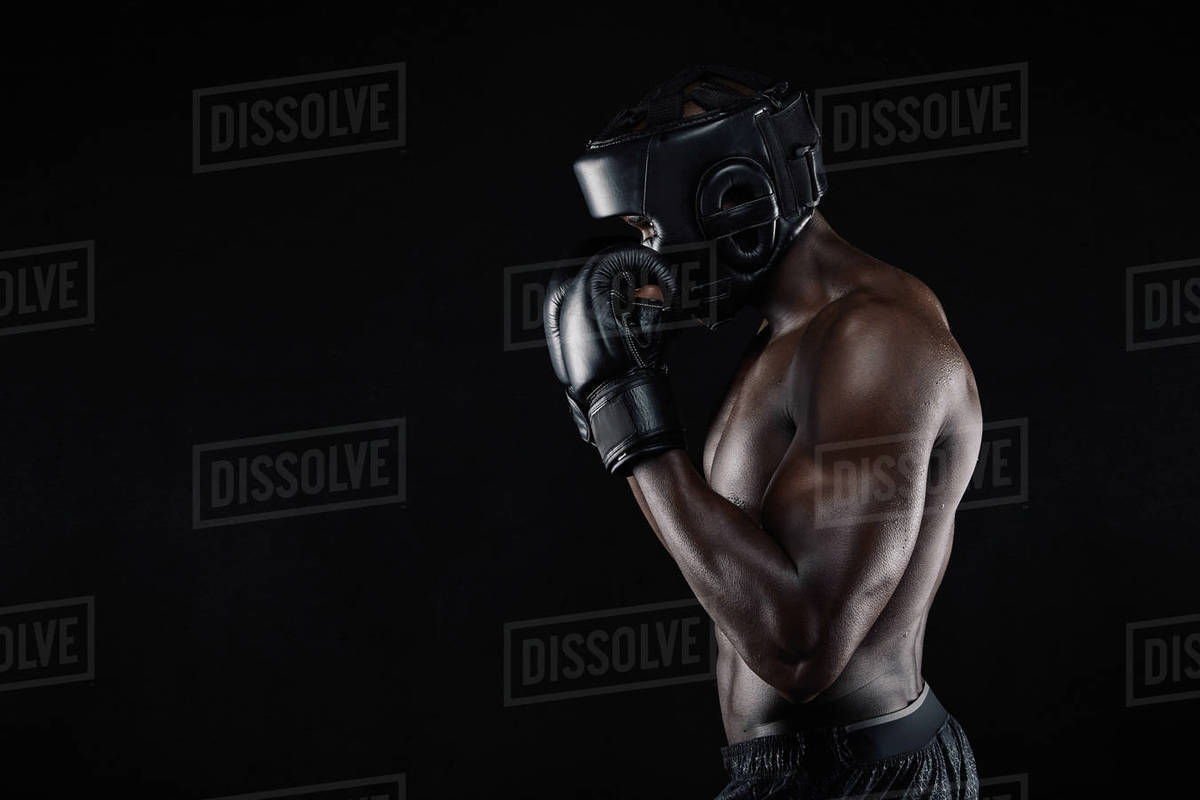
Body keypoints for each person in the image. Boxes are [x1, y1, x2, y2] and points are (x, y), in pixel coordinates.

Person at [545, 66, 981, 799]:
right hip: (809, 773)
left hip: (860, 780)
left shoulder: (875, 344)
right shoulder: (790, 337)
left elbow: (801, 648)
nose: (645, 265)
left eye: (647, 228)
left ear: (733, 202)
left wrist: (624, 411)